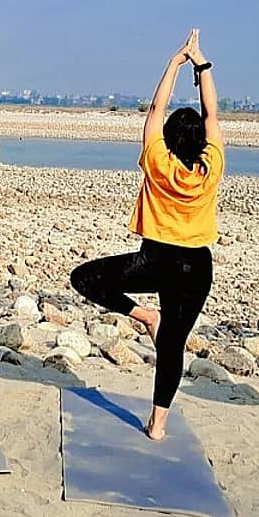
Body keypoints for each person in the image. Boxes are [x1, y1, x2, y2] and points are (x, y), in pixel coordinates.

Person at [70, 29, 223, 441]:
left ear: (171, 138)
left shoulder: (158, 160)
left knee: (84, 279)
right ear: (202, 141)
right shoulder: (212, 165)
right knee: (172, 346)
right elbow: (212, 114)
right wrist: (202, 64)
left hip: (157, 261)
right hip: (197, 267)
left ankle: (145, 316)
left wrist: (175, 62)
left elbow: (157, 108)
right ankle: (158, 424)